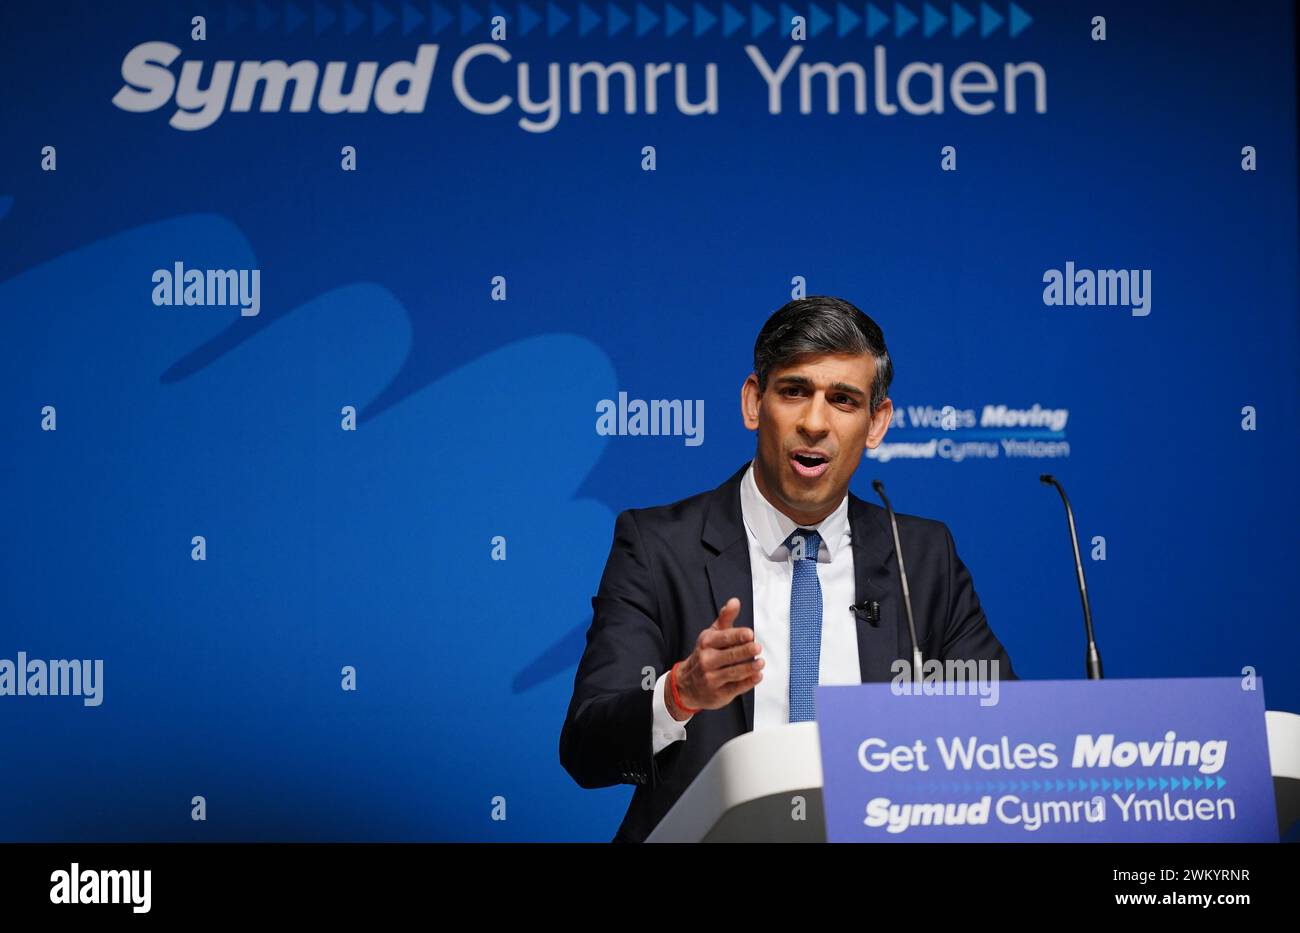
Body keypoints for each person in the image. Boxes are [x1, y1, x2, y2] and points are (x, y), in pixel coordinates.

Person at [559, 295, 1017, 842]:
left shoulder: (922, 555)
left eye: (843, 400)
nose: (815, 422)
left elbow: (1000, 732)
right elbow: (586, 747)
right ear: (754, 402)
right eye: (795, 391)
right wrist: (679, 693)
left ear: (877, 423)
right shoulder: (658, 545)